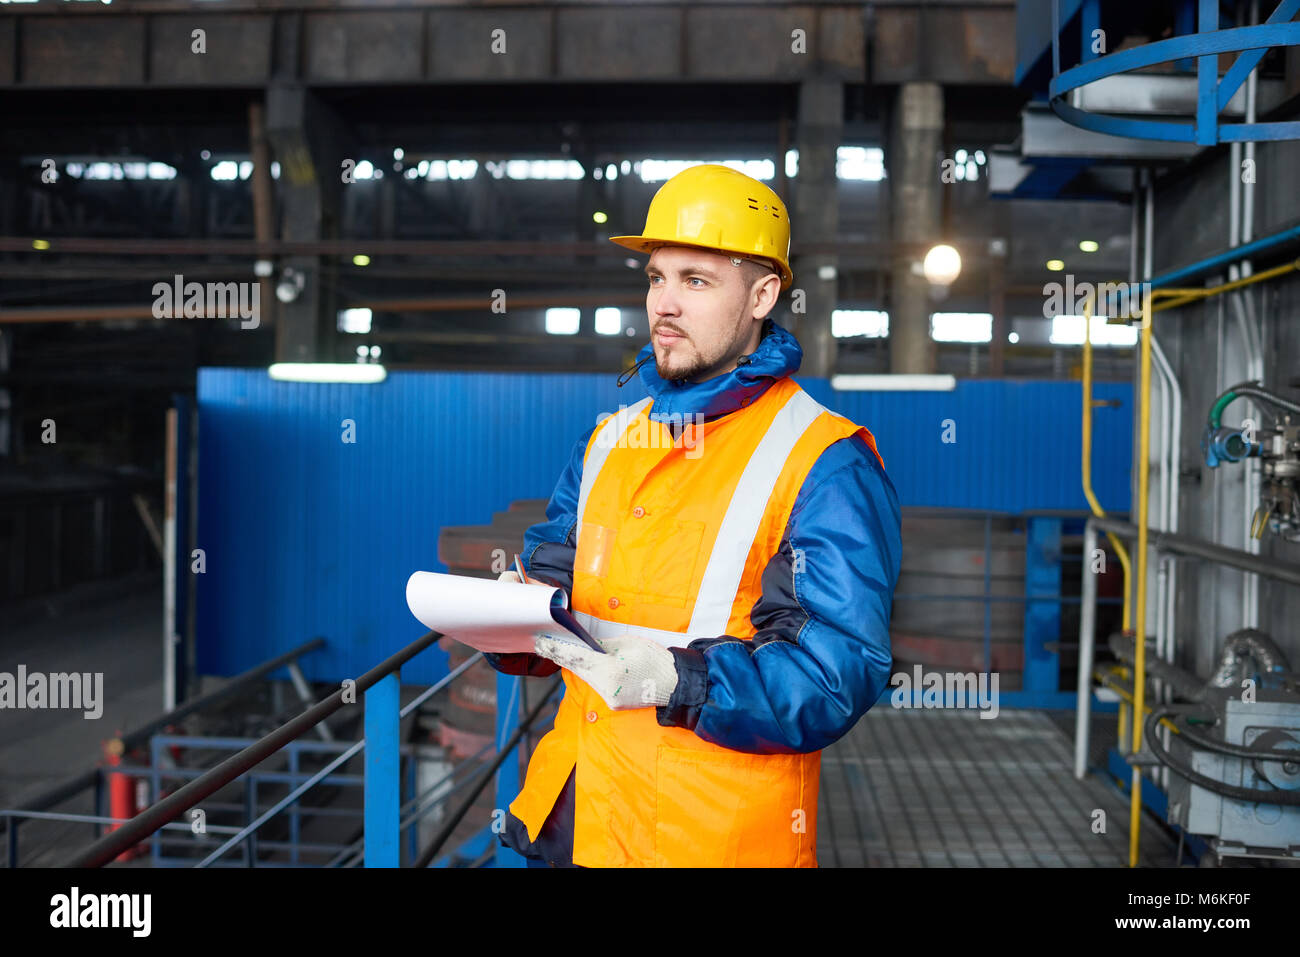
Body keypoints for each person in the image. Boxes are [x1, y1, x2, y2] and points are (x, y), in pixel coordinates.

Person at [485, 163, 901, 867]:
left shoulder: (823, 458)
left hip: (706, 839)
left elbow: (837, 674)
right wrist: (505, 620)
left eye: (696, 280)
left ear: (763, 293)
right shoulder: (610, 437)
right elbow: (552, 584)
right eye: (656, 277)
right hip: (575, 819)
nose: (664, 305)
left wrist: (686, 681)